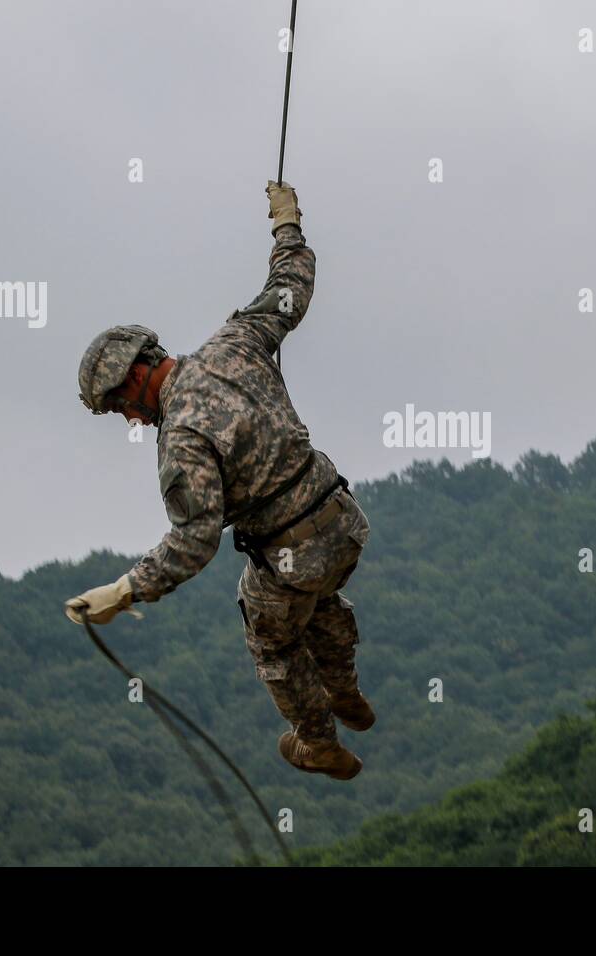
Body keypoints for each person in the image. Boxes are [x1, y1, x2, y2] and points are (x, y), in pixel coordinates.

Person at [66, 182, 373, 781]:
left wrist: (126, 590)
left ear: (133, 384)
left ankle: (318, 740)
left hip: (290, 553)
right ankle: (345, 689)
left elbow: (194, 540)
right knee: (317, 597)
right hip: (345, 526)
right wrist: (287, 223)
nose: (129, 419)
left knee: (273, 637)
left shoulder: (181, 439)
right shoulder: (235, 342)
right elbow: (291, 289)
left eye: (120, 408)